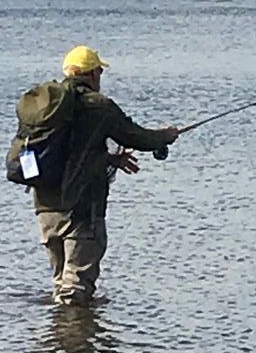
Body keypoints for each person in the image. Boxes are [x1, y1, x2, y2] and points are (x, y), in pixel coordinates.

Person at [31, 45, 179, 305]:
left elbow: (65, 152)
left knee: (61, 285)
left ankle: (57, 340)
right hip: (80, 208)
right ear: (92, 74)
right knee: (76, 290)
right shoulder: (98, 106)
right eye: (99, 71)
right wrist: (166, 136)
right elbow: (137, 137)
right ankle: (76, 342)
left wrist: (108, 159)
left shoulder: (50, 105)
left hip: (46, 209)